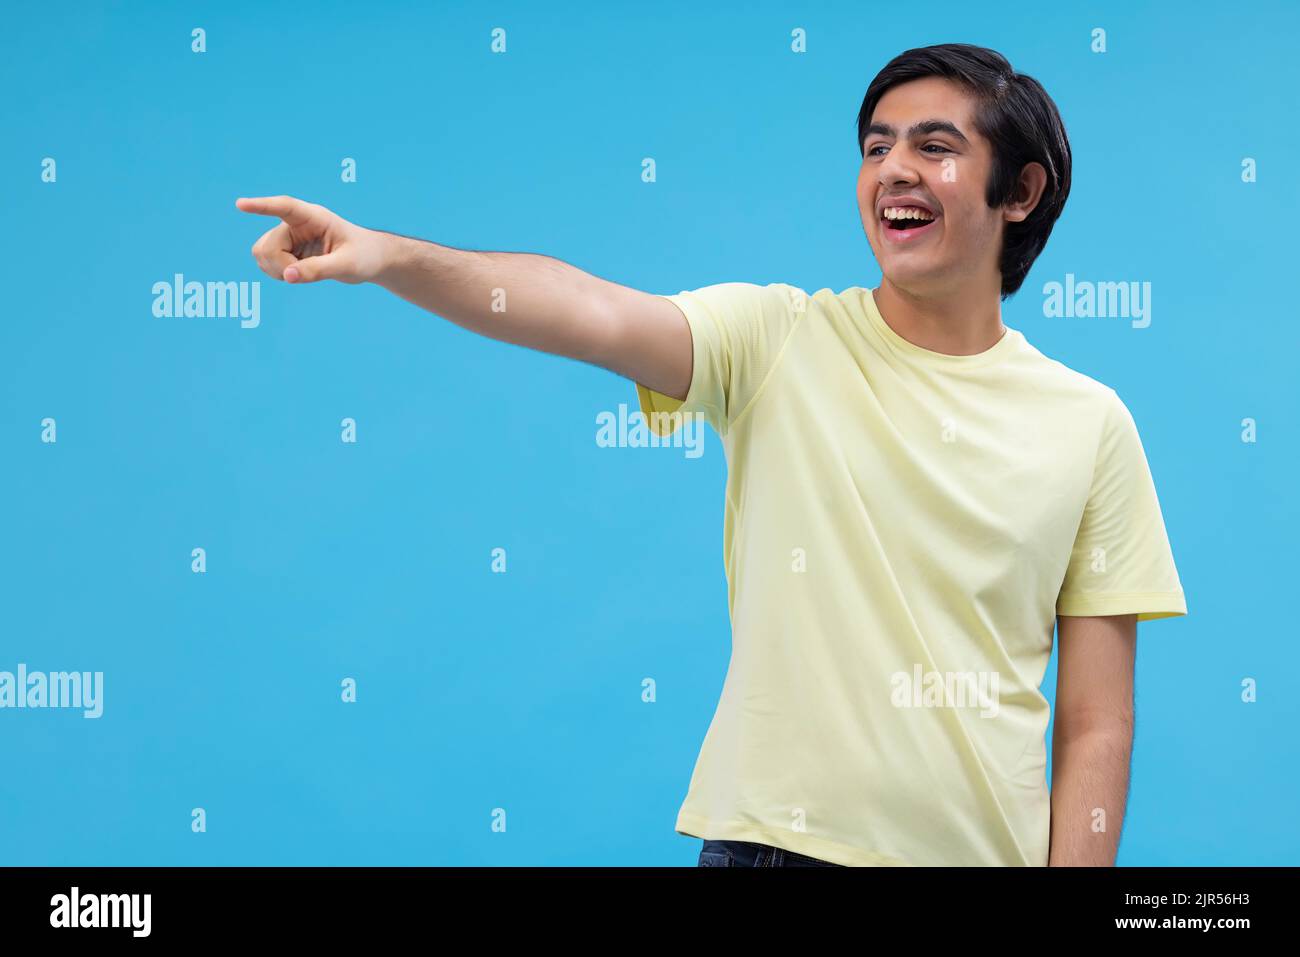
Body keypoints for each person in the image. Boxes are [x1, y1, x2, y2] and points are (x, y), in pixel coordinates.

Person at [237, 42, 1186, 868]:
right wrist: (387, 255)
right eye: (875, 147)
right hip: (776, 848)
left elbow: (1097, 719)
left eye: (935, 146)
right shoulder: (776, 340)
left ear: (1019, 191)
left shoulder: (1090, 422)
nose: (893, 168)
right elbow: (585, 305)